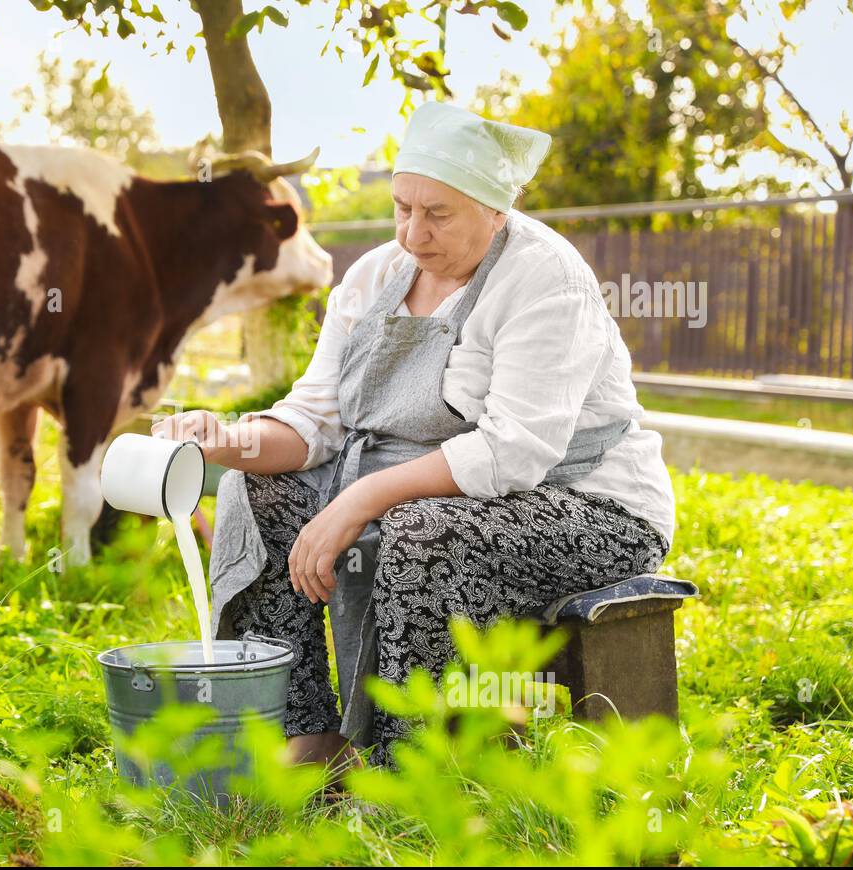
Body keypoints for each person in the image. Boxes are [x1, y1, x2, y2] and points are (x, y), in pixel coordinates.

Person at [154, 102, 675, 770]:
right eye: (403, 207)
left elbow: (512, 452)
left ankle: (413, 766)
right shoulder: (375, 277)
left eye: (438, 214)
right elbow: (315, 421)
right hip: (424, 494)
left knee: (422, 529)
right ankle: (309, 741)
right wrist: (224, 439)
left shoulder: (544, 278)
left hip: (589, 507)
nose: (412, 234)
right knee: (260, 496)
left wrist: (360, 499)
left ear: (496, 209)